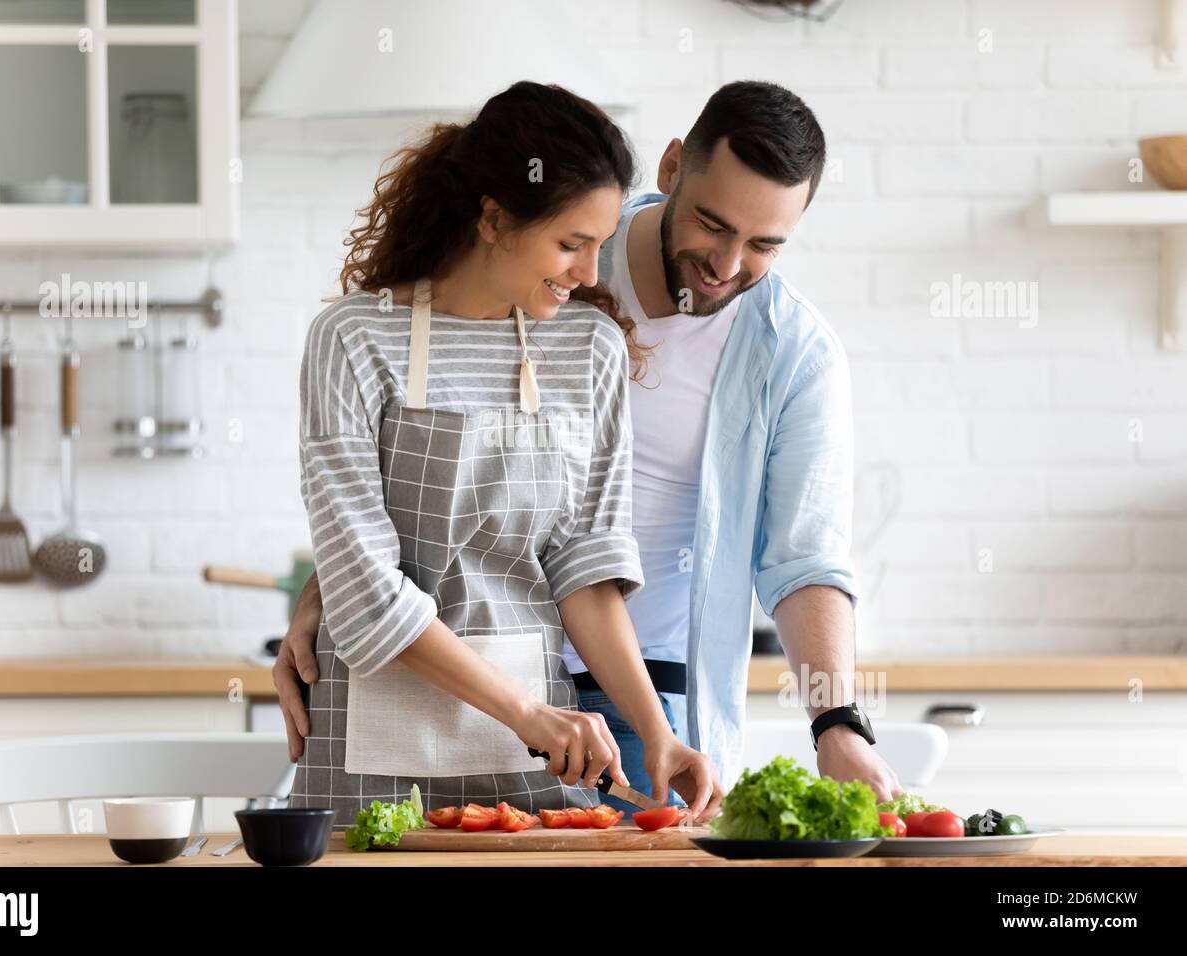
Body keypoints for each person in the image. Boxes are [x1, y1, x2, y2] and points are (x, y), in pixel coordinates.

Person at [281, 80, 904, 816]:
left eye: (764, 244)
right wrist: (337, 588)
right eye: (712, 224)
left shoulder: (747, 352)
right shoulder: (529, 268)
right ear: (671, 170)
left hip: (613, 693)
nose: (728, 263)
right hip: (425, 697)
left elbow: (786, 561)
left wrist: (827, 720)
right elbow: (383, 515)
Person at [287, 80, 722, 826]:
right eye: (570, 244)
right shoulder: (355, 340)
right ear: (493, 217)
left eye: (600, 245)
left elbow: (584, 570)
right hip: (372, 761)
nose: (590, 275)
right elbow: (363, 594)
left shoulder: (588, 349)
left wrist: (657, 732)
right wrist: (528, 715)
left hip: (533, 764)